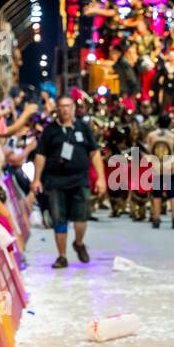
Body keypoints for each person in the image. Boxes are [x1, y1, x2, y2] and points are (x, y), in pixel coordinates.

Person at [30, 95, 105, 268]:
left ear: (73, 108)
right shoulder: (50, 131)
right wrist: (36, 179)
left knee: (81, 219)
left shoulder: (83, 128)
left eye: (68, 106)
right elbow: (41, 155)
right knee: (59, 219)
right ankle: (62, 256)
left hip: (80, 180)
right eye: (61, 106)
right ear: (57, 109)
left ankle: (78, 243)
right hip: (55, 181)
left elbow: (94, 153)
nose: (65, 109)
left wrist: (101, 178)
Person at [143, 113, 174, 230]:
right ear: (169, 123)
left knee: (157, 195)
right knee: (172, 195)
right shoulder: (173, 136)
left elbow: (148, 151)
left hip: (156, 168)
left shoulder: (151, 135)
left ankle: (156, 218)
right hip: (169, 168)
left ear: (158, 123)